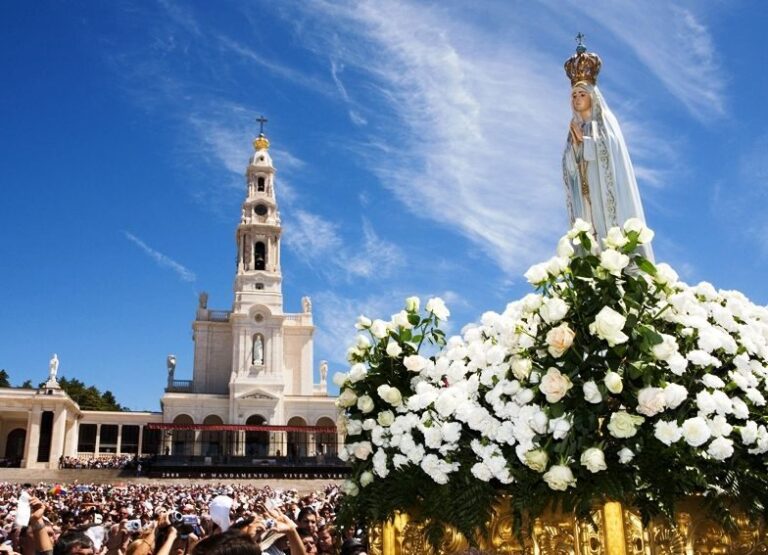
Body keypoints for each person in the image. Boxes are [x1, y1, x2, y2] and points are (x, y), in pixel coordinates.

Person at [562, 36, 654, 261]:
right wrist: (574, 151)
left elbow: (612, 151)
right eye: (574, 95)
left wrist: (587, 144)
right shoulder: (574, 128)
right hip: (585, 201)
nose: (577, 98)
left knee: (610, 241)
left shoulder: (604, 122)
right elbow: (569, 170)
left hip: (605, 199)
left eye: (582, 94)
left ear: (592, 97)